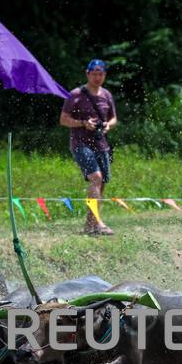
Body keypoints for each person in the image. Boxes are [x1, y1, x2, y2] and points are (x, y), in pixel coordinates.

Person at [60, 59, 118, 236]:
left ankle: (90, 225)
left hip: (101, 143)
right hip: (80, 143)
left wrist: (107, 125)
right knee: (96, 178)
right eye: (94, 74)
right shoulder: (75, 95)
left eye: (100, 74)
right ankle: (98, 223)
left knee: (102, 183)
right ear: (87, 74)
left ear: (105, 75)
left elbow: (114, 118)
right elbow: (63, 119)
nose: (97, 78)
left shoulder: (106, 95)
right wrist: (83, 123)